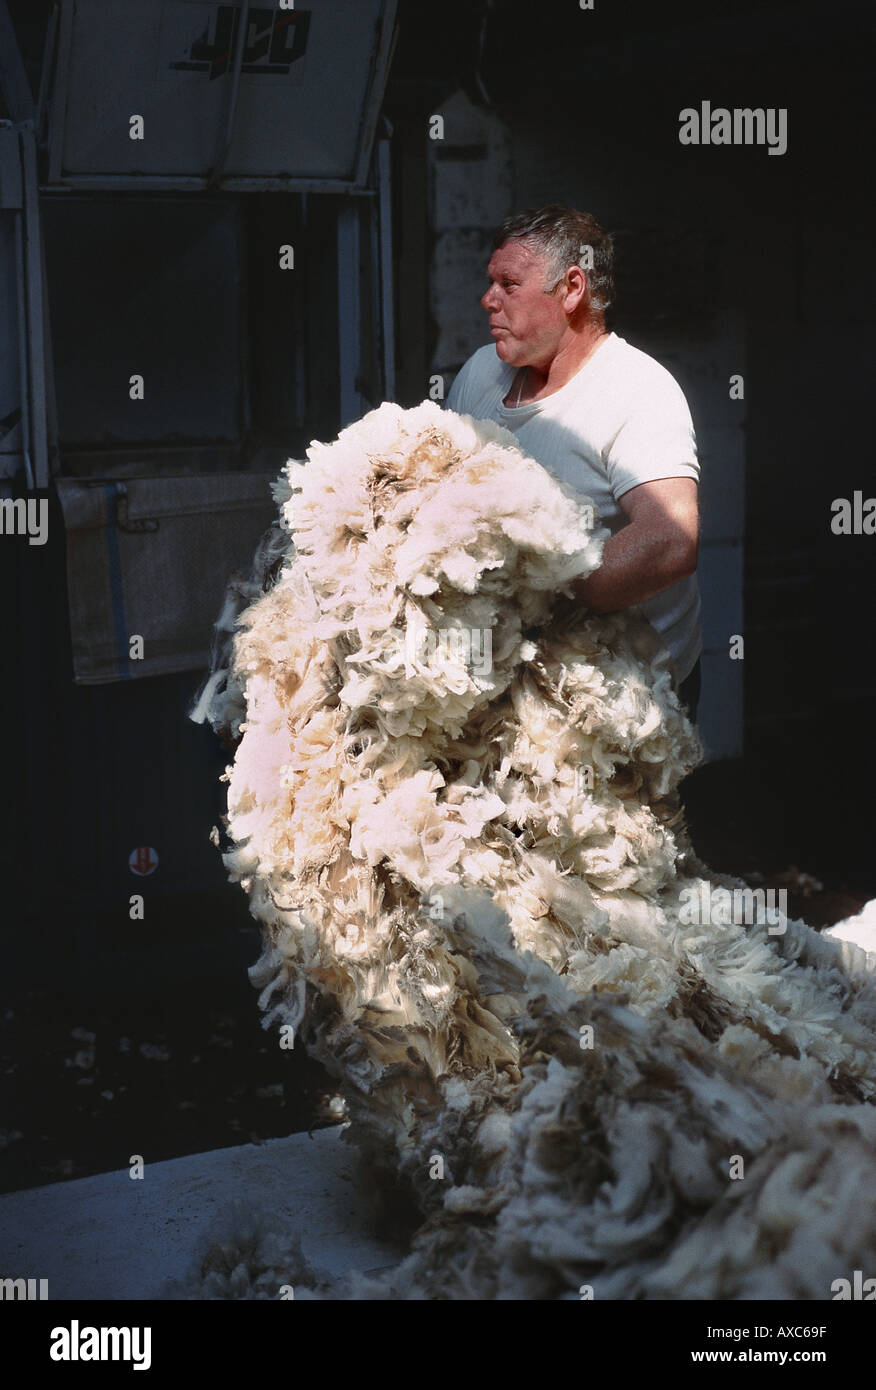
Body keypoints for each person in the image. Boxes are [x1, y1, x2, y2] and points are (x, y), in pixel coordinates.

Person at [445, 204, 702, 721]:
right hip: (516, 682)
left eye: (509, 284)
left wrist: (531, 588)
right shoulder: (481, 375)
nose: (488, 299)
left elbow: (672, 540)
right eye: (490, 281)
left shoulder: (637, 391)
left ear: (572, 288)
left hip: (624, 693)